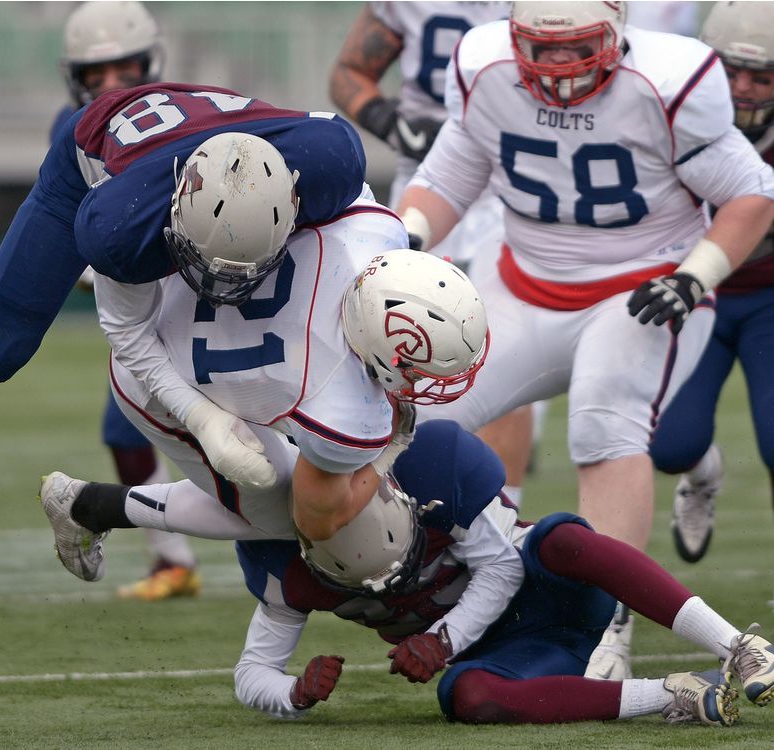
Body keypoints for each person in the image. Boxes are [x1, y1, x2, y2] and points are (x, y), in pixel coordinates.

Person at [0, 81, 371, 578]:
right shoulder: (123, 225)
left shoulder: (334, 165)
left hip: (220, 158)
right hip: (97, 169)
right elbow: (130, 337)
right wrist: (204, 421)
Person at [394, 0, 774, 680]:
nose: (560, 64)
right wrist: (406, 240)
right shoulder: (483, 67)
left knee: (603, 425)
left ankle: (609, 622)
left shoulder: (668, 82)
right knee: (413, 420)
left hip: (642, 286)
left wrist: (696, 276)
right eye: (541, 47)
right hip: (521, 282)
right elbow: (450, 174)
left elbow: (751, 194)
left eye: (579, 47)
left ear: (618, 32)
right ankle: (447, 590)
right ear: (513, 38)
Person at [230, 418, 774, 725]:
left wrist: (441, 640)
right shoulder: (282, 563)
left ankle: (738, 645)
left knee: (563, 540)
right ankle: (672, 694)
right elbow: (253, 672)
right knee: (466, 698)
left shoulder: (427, 462)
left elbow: (502, 568)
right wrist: (292, 693)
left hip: (550, 590)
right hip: (511, 654)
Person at [40, 248, 487, 583]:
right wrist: (390, 450)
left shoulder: (361, 235)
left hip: (171, 320)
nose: (419, 380)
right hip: (163, 384)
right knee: (279, 514)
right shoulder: (347, 405)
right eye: (417, 366)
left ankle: (93, 505)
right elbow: (316, 521)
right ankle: (86, 506)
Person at [328, 1, 543, 508]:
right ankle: (397, 502)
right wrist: (386, 118)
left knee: (501, 344)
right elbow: (348, 73)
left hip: (514, 184)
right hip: (430, 179)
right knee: (388, 332)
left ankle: (501, 517)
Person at [51, 1, 201, 602]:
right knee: (126, 425)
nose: (111, 85)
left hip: (207, 291)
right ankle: (174, 559)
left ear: (150, 64)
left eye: (125, 68)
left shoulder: (189, 114)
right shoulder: (72, 132)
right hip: (145, 307)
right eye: (96, 74)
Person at [650, 1, 774, 565]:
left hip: (769, 299)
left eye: (763, 75)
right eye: (732, 71)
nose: (744, 88)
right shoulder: (665, 112)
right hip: (693, 297)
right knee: (670, 446)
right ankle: (702, 477)